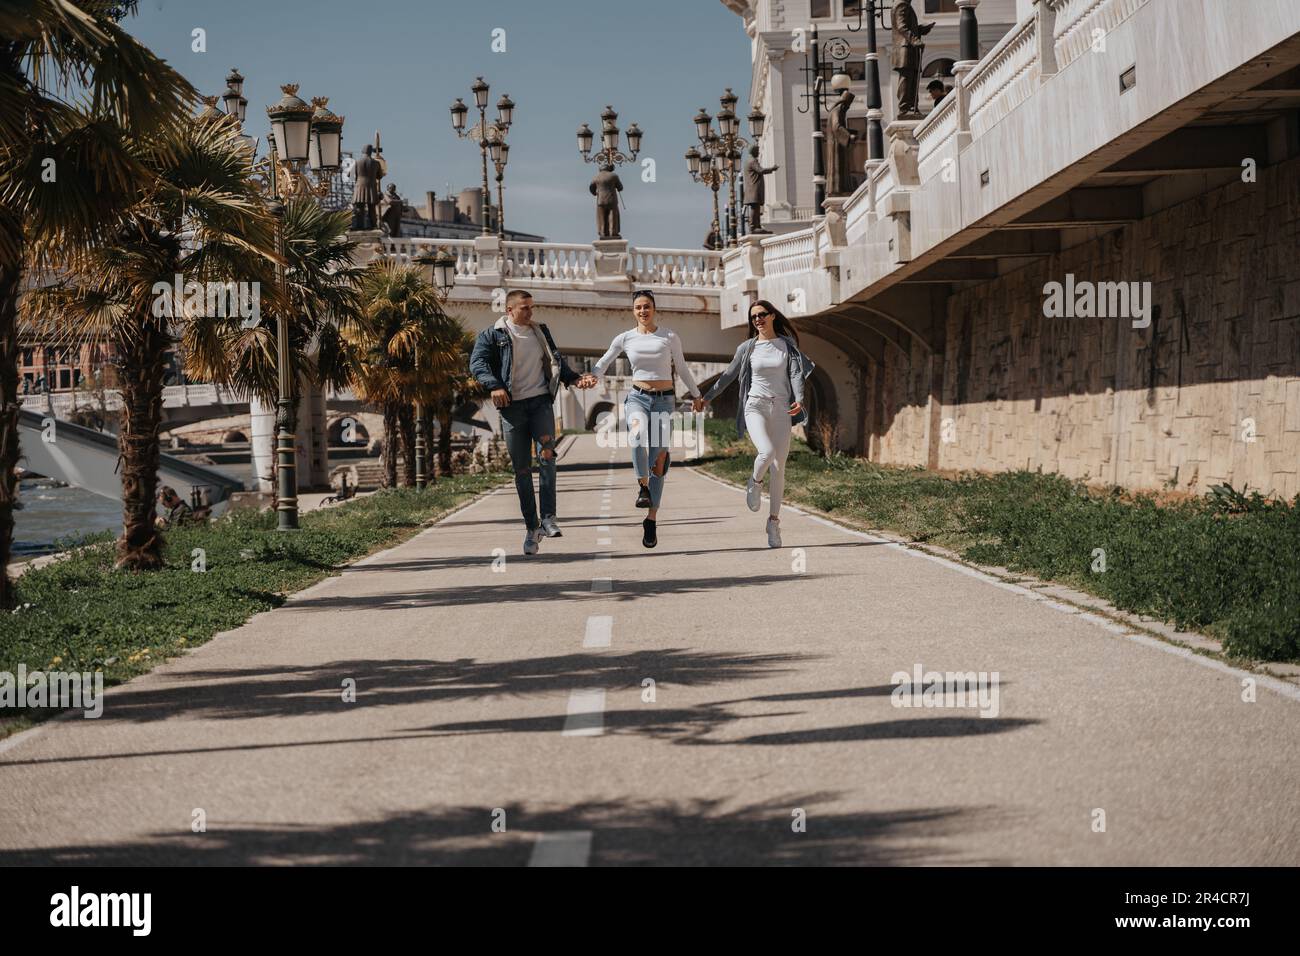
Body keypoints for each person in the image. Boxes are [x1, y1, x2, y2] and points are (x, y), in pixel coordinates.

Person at [469, 290, 593, 554]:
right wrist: (494, 386)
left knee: (548, 456)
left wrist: (574, 379)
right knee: (522, 471)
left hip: (540, 403)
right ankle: (531, 527)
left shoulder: (541, 331)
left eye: (531, 307)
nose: (530, 312)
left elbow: (557, 362)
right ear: (509, 310)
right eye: (524, 308)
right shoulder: (493, 335)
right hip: (512, 409)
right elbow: (477, 363)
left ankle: (548, 518)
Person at [697, 300, 815, 548]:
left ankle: (773, 523)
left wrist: (800, 399)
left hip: (782, 409)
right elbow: (728, 375)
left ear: (772, 316)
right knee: (766, 452)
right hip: (756, 406)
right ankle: (755, 481)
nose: (758, 320)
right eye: (753, 317)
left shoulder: (787, 346)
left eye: (762, 315)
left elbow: (795, 374)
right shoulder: (747, 348)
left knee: (779, 468)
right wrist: (705, 398)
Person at [589, 290, 701, 549]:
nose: (643, 311)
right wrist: (592, 376)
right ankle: (643, 487)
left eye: (647, 306)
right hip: (638, 397)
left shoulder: (669, 336)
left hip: (664, 400)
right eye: (638, 307)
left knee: (659, 460)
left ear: (654, 309)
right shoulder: (625, 338)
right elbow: (604, 361)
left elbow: (682, 367)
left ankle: (651, 518)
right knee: (637, 436)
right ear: (633, 311)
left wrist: (696, 394)